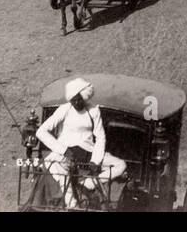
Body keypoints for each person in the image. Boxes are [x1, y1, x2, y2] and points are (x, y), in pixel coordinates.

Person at [35, 78, 128, 209]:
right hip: (67, 153)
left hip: (88, 152)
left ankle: (88, 184)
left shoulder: (94, 110)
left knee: (120, 165)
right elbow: (41, 131)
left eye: (79, 99)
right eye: (73, 100)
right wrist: (63, 150)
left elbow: (100, 137)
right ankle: (71, 203)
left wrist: (95, 161)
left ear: (85, 97)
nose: (76, 103)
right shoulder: (64, 109)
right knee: (57, 169)